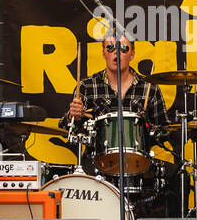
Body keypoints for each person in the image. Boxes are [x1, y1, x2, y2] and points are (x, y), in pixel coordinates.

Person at [65, 35, 169, 177]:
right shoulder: (86, 86)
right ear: (103, 52)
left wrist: (149, 130)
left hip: (138, 166)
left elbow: (165, 130)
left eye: (124, 49)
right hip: (96, 166)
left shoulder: (149, 88)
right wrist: (74, 116)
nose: (117, 52)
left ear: (132, 54)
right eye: (110, 48)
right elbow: (68, 129)